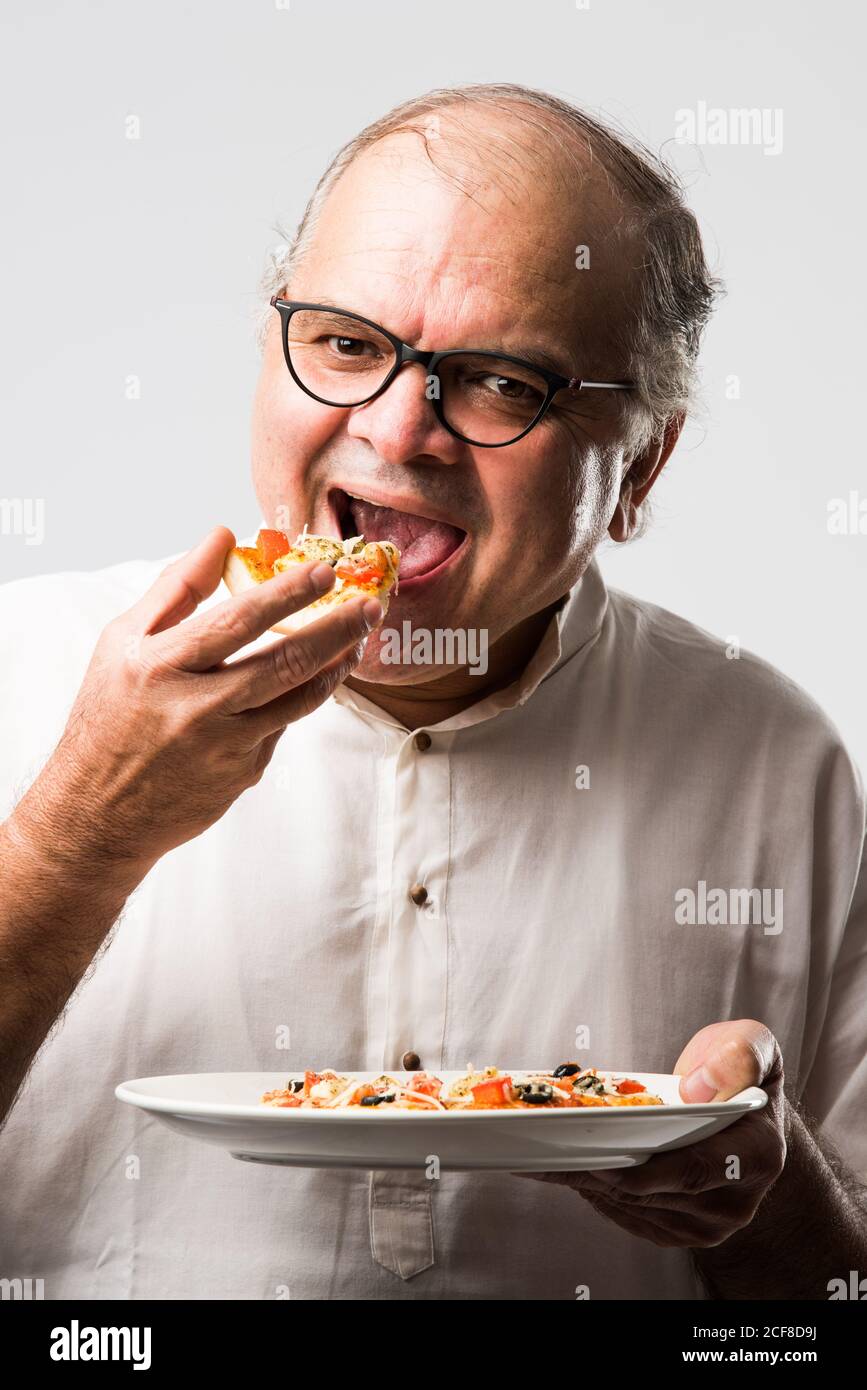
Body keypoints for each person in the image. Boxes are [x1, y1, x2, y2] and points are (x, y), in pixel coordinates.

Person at [0, 83, 864, 1300]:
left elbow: (842, 1304)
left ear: (641, 466)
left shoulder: (777, 759)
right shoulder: (21, 666)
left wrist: (767, 1198)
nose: (400, 431)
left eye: (504, 381)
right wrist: (80, 828)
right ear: (271, 352)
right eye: (347, 344)